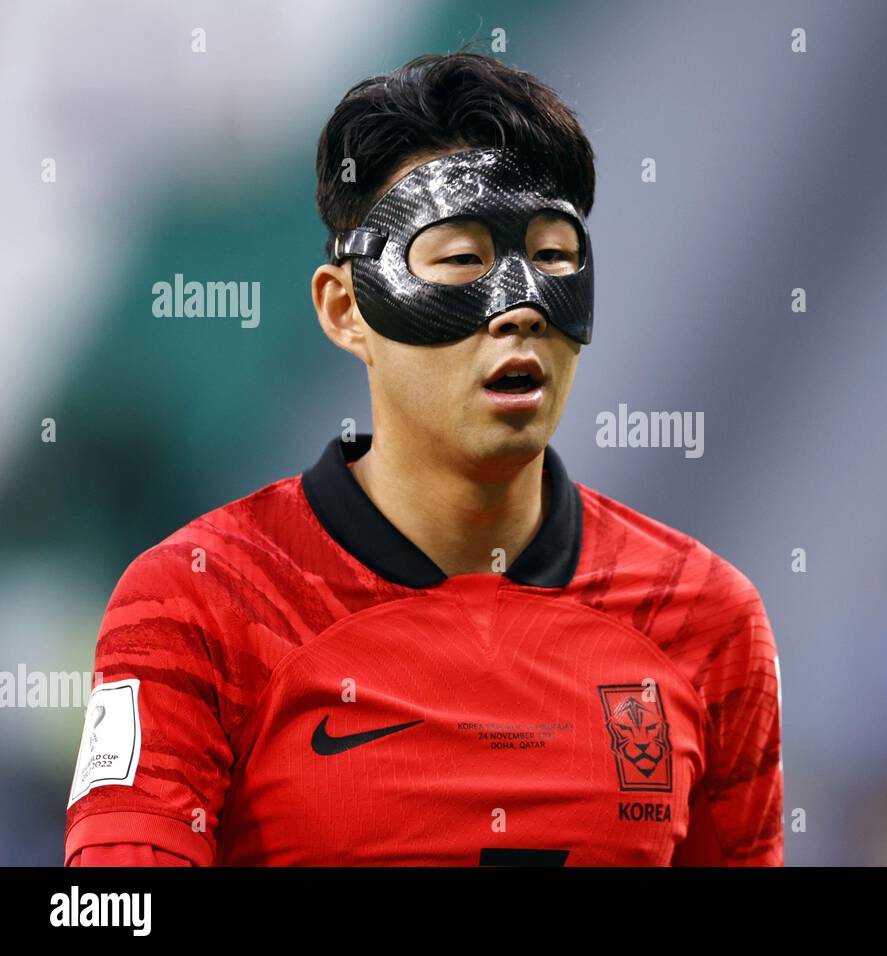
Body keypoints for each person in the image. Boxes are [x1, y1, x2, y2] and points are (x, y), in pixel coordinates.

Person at [64, 50, 783, 866]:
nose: (519, 305)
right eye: (461, 260)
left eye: (553, 256)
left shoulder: (708, 619)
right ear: (346, 310)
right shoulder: (200, 599)